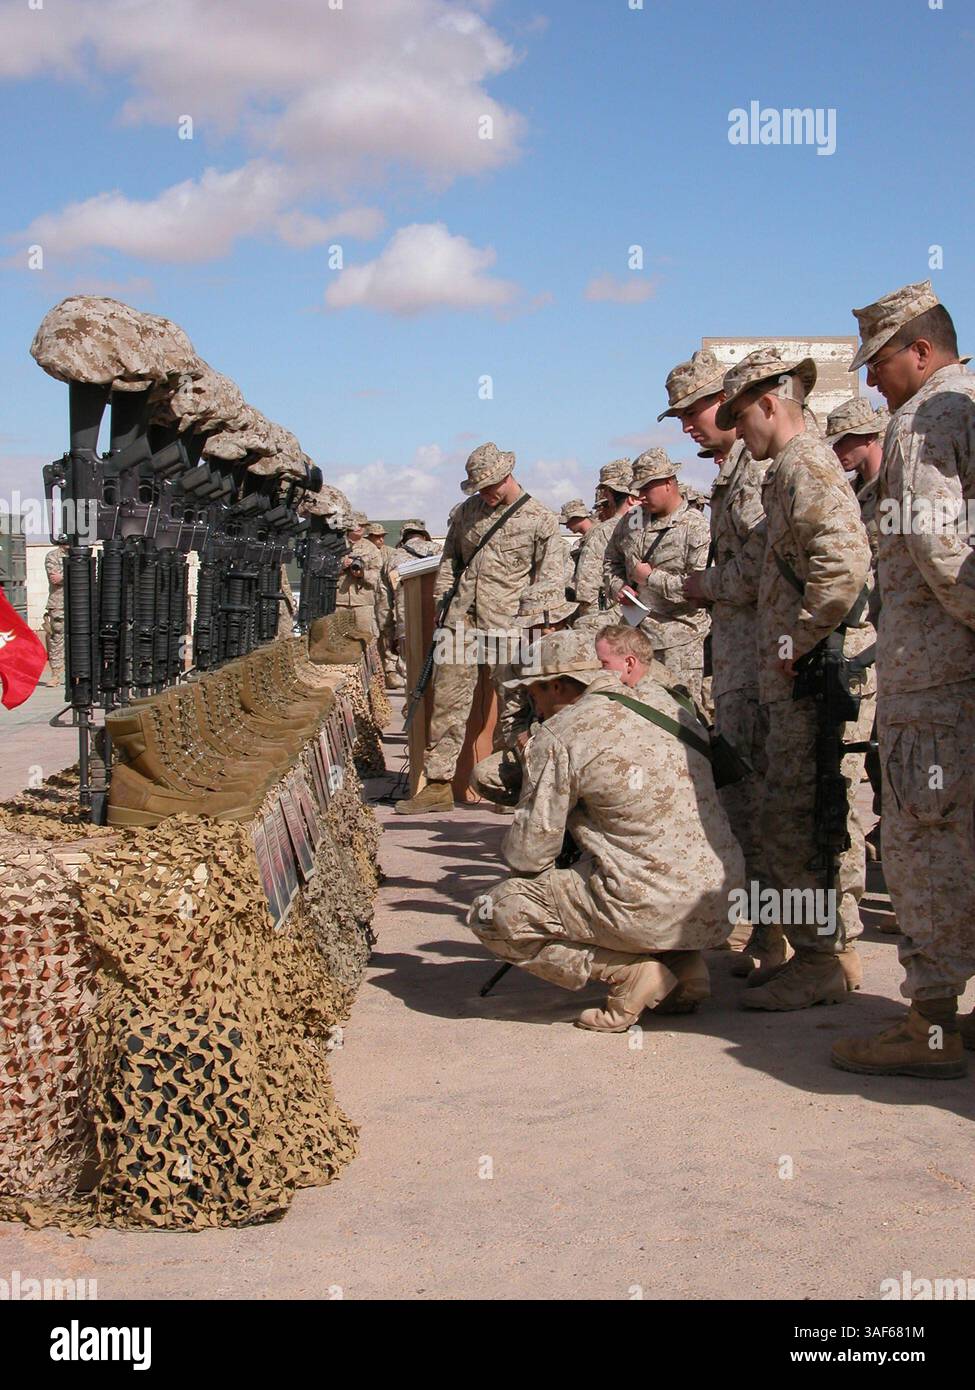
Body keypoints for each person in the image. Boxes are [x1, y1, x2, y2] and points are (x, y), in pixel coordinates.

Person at [831, 281, 975, 1078]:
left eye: (878, 362)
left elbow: (938, 550)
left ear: (920, 350)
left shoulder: (924, 417)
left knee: (923, 845)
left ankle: (926, 1025)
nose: (869, 383)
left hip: (931, 679)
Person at [468, 630, 744, 1031]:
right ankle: (684, 966)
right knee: (628, 862)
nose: (534, 706)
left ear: (557, 685)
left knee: (494, 911)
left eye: (534, 694)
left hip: (647, 905)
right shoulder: (666, 704)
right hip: (721, 901)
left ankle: (629, 975)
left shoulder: (561, 735)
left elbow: (529, 856)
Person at [712, 348, 874, 1011]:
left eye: (739, 416)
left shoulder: (805, 467)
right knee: (798, 822)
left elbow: (843, 561)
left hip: (810, 680)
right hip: (797, 681)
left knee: (794, 825)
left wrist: (793, 638)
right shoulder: (784, 473)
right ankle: (820, 956)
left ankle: (818, 961)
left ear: (769, 405)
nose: (735, 430)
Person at [675, 348, 781, 976]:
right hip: (741, 666)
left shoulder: (758, 471)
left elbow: (764, 570)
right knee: (747, 802)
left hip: (766, 664)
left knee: (769, 805)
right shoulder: (732, 471)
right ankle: (769, 936)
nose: (690, 424)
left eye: (695, 410)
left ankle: (793, 942)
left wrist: (702, 585)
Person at [395, 442, 564, 814]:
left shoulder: (539, 518)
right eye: (480, 488)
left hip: (508, 625)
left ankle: (511, 784)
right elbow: (450, 560)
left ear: (508, 476)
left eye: (491, 486)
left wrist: (529, 620)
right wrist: (443, 603)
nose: (486, 494)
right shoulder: (466, 512)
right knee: (447, 701)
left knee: (515, 704)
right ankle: (438, 785)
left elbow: (551, 577)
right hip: (460, 623)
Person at [825, 396, 889, 864]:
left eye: (844, 440)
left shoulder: (904, 488)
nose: (838, 450)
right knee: (865, 754)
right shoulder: (851, 495)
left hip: (908, 638)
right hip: (864, 641)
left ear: (869, 436)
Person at [603, 449, 710, 702]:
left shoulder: (695, 527)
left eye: (646, 488)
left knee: (679, 713)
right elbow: (611, 561)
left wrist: (650, 578)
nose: (640, 497)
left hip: (679, 643)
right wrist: (619, 587)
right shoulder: (633, 520)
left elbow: (699, 587)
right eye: (637, 489)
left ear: (669, 483)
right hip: (635, 638)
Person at [572, 459, 636, 630]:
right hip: (620, 623)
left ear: (608, 494)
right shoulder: (606, 531)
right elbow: (588, 591)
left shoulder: (604, 531)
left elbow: (586, 589)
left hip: (620, 623)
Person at [387, 518, 441, 683]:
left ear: (404, 538)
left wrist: (388, 629)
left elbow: (384, 596)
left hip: (406, 616)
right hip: (437, 612)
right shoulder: (439, 550)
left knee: (409, 660)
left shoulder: (394, 556)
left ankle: (411, 703)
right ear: (424, 536)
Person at [364, 520, 402, 688]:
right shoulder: (363, 551)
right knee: (370, 635)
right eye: (375, 537)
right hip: (366, 600)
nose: (380, 540)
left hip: (385, 602)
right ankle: (373, 672)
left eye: (382, 537)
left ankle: (390, 671)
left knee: (388, 633)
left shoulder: (391, 553)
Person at [42, 543, 68, 685]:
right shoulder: (53, 556)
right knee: (57, 639)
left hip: (80, 604)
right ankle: (56, 675)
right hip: (59, 604)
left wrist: (65, 574)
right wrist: (76, 571)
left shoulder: (82, 554)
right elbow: (55, 579)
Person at [559, 499, 592, 597]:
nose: (567, 526)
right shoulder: (583, 541)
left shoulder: (599, 535)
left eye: (567, 522)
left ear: (577, 516)